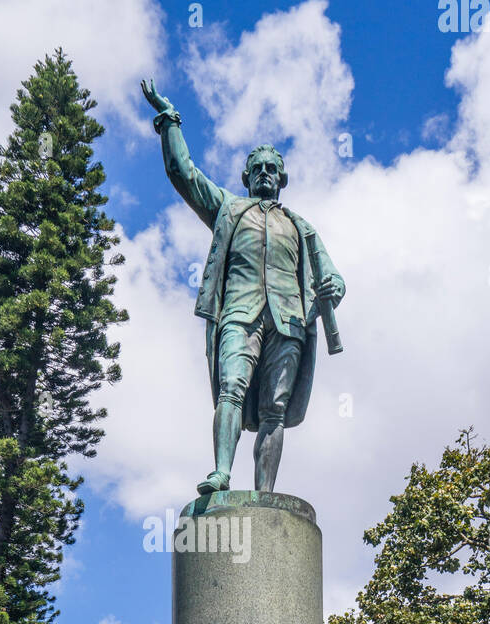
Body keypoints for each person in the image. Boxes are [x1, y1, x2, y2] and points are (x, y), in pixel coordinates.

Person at [142, 78, 345, 496]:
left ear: (282, 178)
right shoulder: (229, 210)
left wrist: (330, 289)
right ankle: (220, 472)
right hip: (239, 313)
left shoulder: (301, 228)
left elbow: (335, 280)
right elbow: (185, 174)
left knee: (275, 409)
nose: (266, 175)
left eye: (272, 169)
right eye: (258, 169)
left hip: (289, 323)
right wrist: (169, 120)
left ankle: (265, 494)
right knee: (230, 390)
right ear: (246, 176)